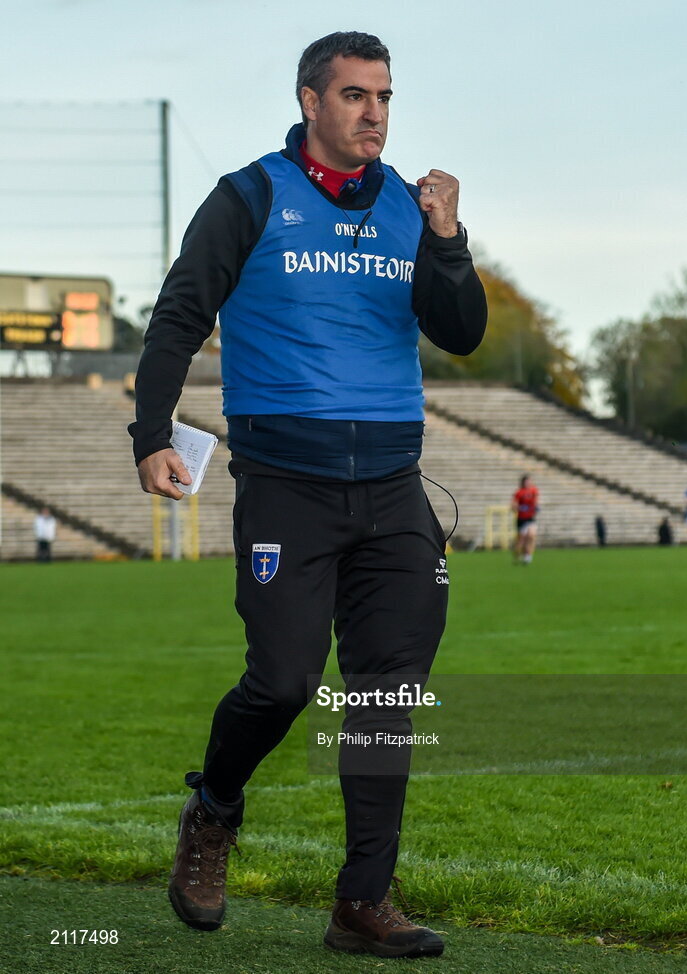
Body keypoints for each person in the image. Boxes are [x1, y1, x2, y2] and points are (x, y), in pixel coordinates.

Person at [128, 31, 487, 959]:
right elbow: (179, 313)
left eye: (385, 96)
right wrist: (151, 433)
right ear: (310, 101)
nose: (375, 113)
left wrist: (449, 240)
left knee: (387, 696)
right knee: (284, 682)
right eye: (356, 95)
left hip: (395, 490)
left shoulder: (411, 206)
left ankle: (362, 902)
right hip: (288, 485)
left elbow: (461, 332)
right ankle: (214, 808)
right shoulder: (250, 196)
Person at [511, 475, 539, 564]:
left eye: (529, 481)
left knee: (531, 536)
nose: (528, 483)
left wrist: (536, 508)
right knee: (521, 541)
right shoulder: (519, 492)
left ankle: (528, 556)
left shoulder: (534, 490)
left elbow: (536, 502)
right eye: (526, 481)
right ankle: (518, 554)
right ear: (523, 482)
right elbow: (513, 505)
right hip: (521, 519)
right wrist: (519, 508)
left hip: (530, 518)